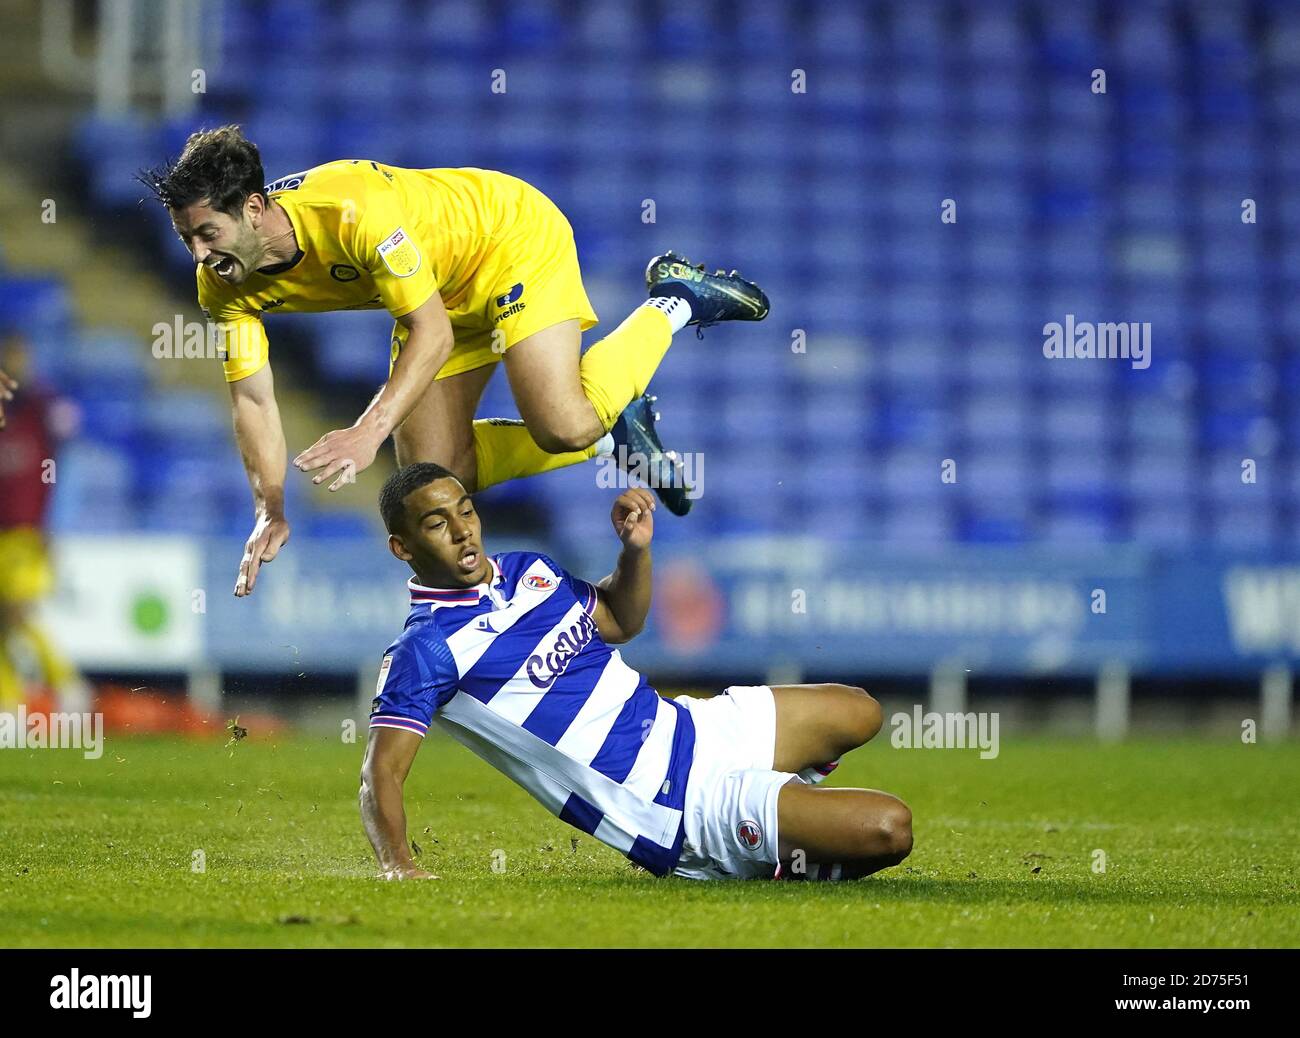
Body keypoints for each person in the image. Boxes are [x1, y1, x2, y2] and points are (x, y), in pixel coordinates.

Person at [140, 126, 769, 598]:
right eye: (187, 240)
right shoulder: (222, 285)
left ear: (251, 209)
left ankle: (676, 299)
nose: (198, 255)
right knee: (438, 477)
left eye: (208, 235)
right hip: (436, 292)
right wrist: (269, 507)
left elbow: (431, 335)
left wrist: (369, 429)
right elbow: (253, 399)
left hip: (507, 240)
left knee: (564, 423)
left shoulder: (352, 211)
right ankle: (616, 435)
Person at [359, 462, 913, 882]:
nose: (463, 531)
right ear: (400, 547)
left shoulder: (528, 570)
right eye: (437, 523)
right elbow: (380, 773)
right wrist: (397, 866)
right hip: (675, 804)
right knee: (891, 829)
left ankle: (780, 805)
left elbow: (621, 620)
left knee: (861, 710)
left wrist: (634, 553)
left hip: (692, 728)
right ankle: (763, 854)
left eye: (466, 511)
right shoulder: (426, 648)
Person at [0, 332, 86, 711]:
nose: (14, 363)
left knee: (17, 611)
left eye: (20, 356)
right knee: (4, 619)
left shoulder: (43, 408)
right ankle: (7, 701)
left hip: (26, 531)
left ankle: (66, 683)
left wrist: (57, 521)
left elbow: (66, 464)